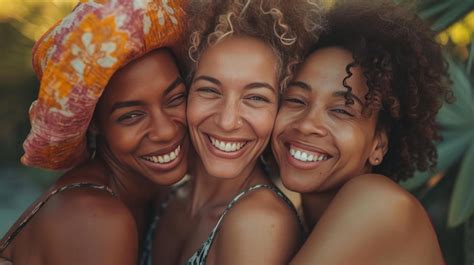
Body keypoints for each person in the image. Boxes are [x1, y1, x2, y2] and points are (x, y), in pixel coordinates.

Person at [0, 0, 188, 264]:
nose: (166, 131)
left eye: (175, 99)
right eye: (131, 116)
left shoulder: (149, 193)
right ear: (95, 124)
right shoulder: (96, 218)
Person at [271, 0, 452, 264]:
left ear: (379, 143)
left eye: (342, 111)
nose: (307, 124)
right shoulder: (296, 221)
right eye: (296, 100)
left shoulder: (378, 202)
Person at [143, 0, 323, 264]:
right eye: (209, 90)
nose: (227, 121)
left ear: (280, 107)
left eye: (256, 98)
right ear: (186, 92)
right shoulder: (168, 196)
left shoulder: (259, 222)